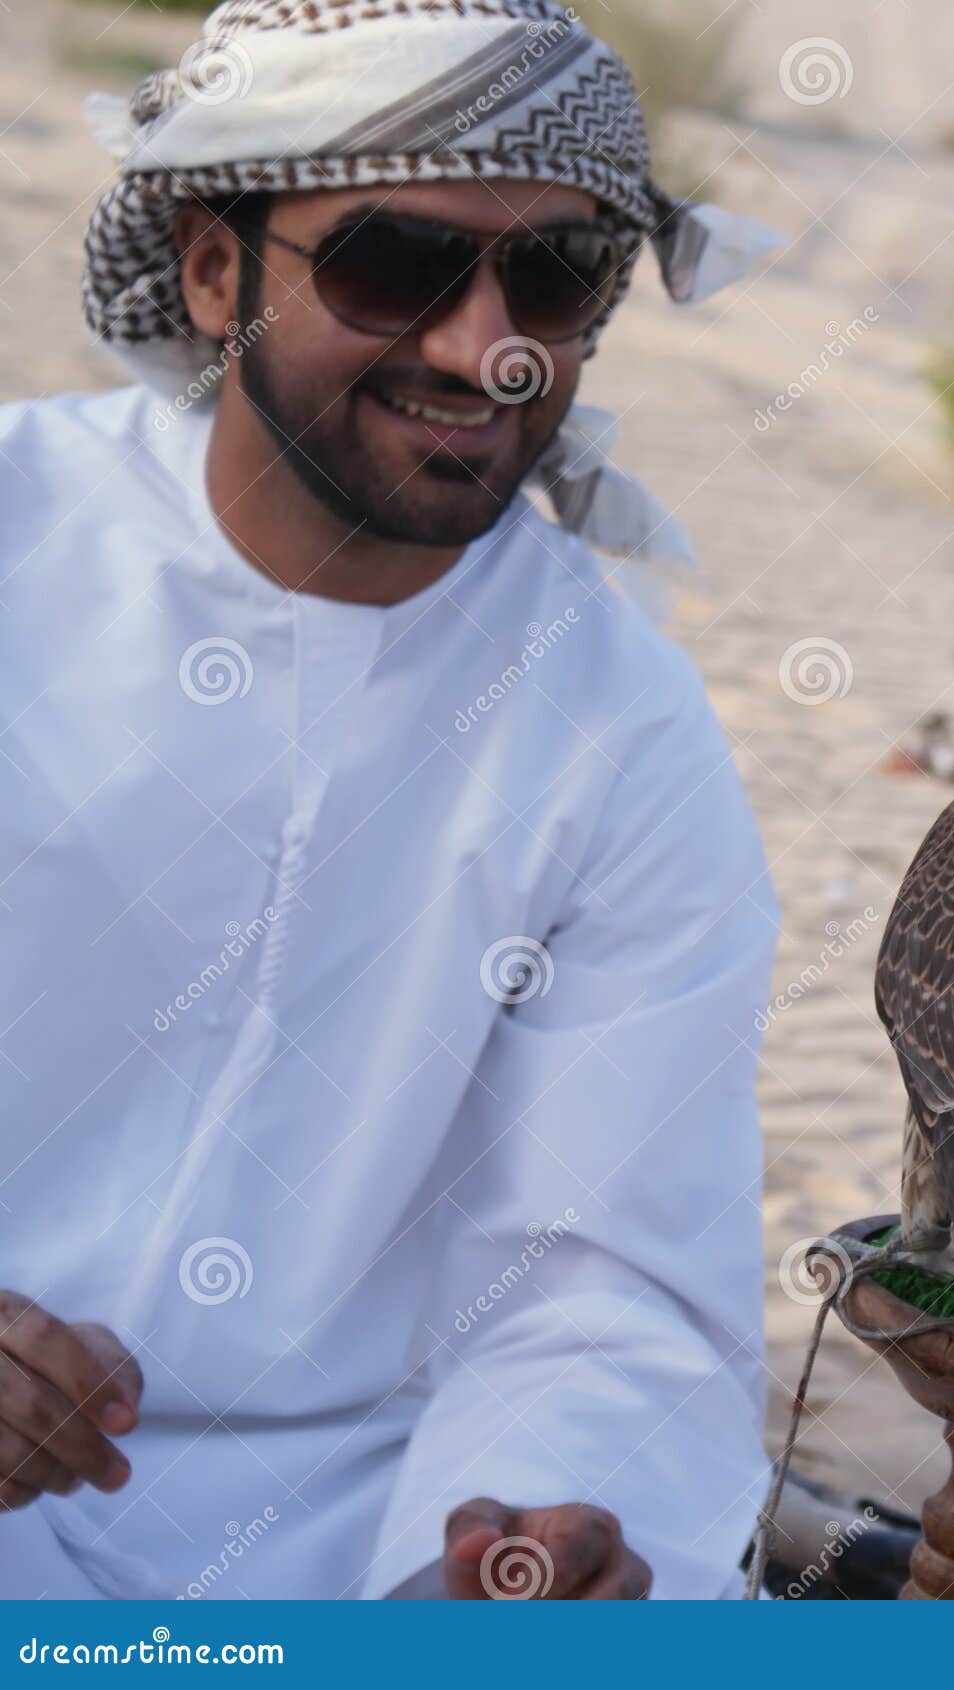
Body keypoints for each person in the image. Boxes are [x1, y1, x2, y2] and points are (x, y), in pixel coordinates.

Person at [0, 0, 781, 1601]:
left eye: (553, 279)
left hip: (354, 1525)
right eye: (394, 263)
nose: (485, 347)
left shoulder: (622, 723)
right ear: (212, 271)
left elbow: (606, 1271)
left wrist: (517, 1532)